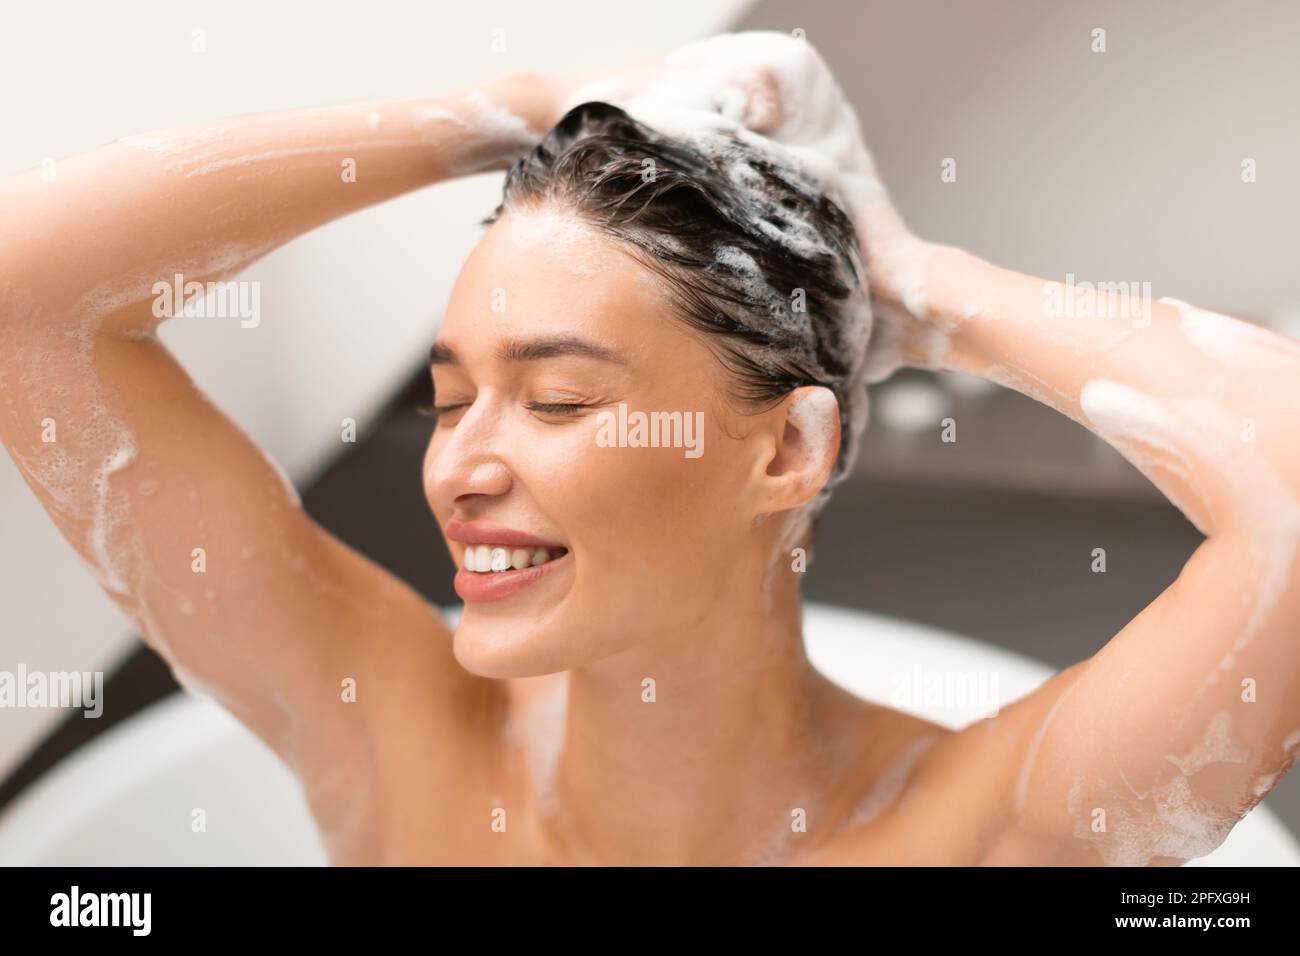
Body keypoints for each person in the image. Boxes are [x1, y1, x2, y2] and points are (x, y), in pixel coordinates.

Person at [1, 32, 1297, 866]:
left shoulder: (981, 834)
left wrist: (928, 286)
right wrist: (495, 116)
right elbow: (27, 299)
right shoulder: (396, 742)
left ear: (790, 448)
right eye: (451, 402)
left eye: (556, 401)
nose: (457, 468)